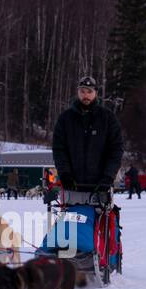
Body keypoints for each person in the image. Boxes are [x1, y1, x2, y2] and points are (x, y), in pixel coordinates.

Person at [51, 75, 125, 206]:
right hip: (72, 188)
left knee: (100, 225)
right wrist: (64, 174)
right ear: (78, 92)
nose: (86, 95)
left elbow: (116, 150)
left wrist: (108, 176)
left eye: (89, 91)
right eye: (82, 91)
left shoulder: (108, 118)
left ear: (95, 93)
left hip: (100, 189)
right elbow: (59, 150)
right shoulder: (65, 119)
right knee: (71, 224)